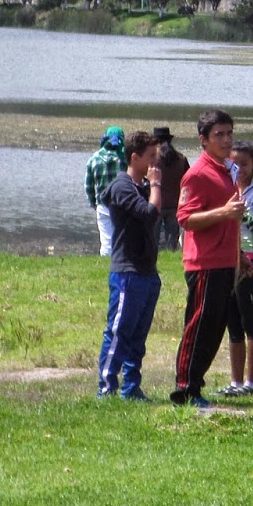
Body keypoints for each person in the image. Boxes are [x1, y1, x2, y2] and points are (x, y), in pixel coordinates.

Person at [170, 109, 247, 408]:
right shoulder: (198, 173)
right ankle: (184, 388)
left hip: (225, 262)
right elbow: (185, 218)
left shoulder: (227, 170)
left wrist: (239, 254)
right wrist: (223, 213)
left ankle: (195, 386)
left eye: (229, 133)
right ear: (204, 140)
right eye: (219, 135)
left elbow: (230, 218)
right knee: (199, 326)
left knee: (215, 329)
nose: (227, 140)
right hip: (204, 263)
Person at [97, 131, 164, 400]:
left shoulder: (143, 188)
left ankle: (131, 387)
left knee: (138, 336)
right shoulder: (122, 187)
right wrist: (157, 186)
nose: (155, 164)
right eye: (151, 158)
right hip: (127, 272)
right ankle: (106, 388)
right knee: (118, 331)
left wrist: (153, 187)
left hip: (148, 272)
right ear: (134, 158)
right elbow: (150, 214)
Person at [220, 141, 253, 396]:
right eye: (234, 163)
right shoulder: (223, 186)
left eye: (244, 163)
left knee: (251, 322)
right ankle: (236, 382)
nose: (239, 168)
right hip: (226, 260)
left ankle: (252, 384)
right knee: (232, 324)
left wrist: (244, 215)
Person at [84, 126, 127, 256]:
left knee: (106, 241)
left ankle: (105, 264)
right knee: (123, 240)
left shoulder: (94, 159)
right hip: (123, 204)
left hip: (102, 205)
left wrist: (94, 203)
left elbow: (88, 186)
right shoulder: (125, 159)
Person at [152, 126, 191, 252]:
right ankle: (172, 256)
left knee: (153, 238)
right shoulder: (181, 159)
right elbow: (189, 180)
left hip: (156, 203)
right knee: (172, 240)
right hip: (175, 204)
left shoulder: (152, 160)